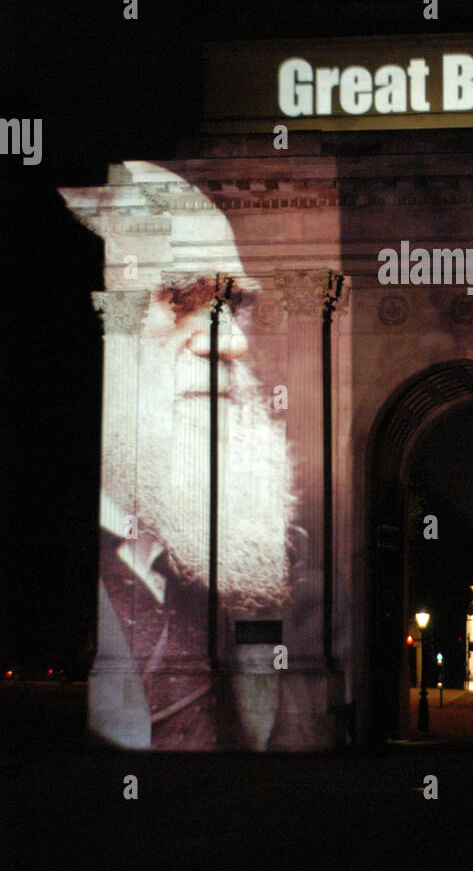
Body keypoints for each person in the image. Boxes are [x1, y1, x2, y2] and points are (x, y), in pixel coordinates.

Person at [62, 163, 301, 750]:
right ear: (110, 315)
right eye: (183, 295)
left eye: (234, 302)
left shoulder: (251, 564)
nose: (234, 340)